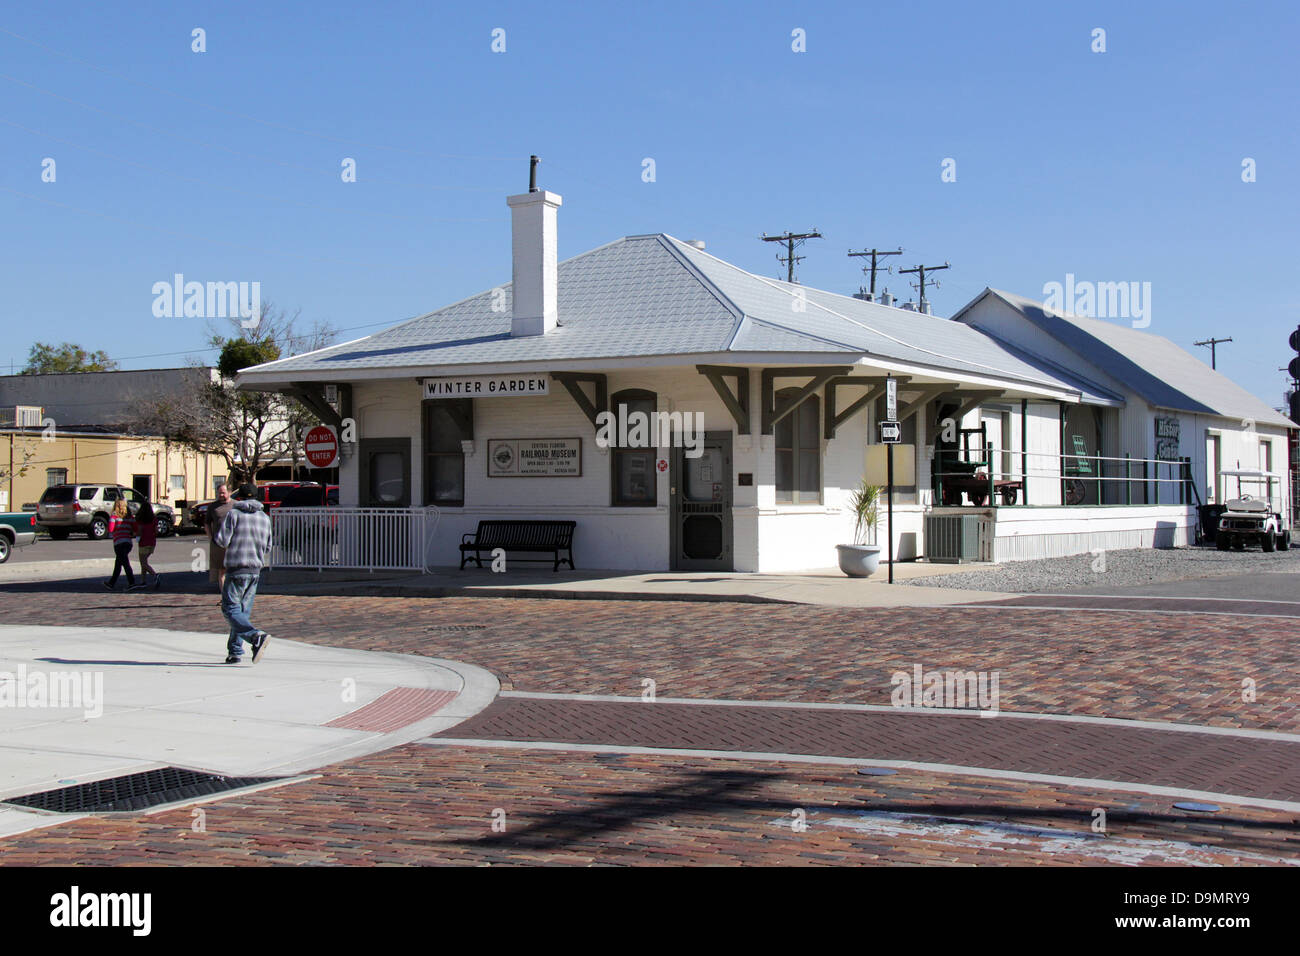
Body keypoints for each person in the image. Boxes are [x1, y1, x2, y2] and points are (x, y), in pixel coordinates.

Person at [214, 483, 273, 664]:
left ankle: (255, 636)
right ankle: (235, 651)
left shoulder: (234, 514)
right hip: (255, 569)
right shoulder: (264, 518)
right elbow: (268, 546)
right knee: (242, 612)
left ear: (239, 498)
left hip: (236, 567)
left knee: (230, 608)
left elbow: (222, 540)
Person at [103, 498, 139, 590]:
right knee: (119, 563)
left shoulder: (114, 516)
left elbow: (110, 529)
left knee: (124, 563)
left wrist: (112, 518)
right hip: (128, 542)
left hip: (118, 543)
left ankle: (132, 582)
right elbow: (135, 529)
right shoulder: (130, 517)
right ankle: (111, 583)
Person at [206, 483, 233, 590]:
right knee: (221, 570)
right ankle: (223, 595)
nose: (221, 495)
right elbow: (207, 523)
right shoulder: (213, 507)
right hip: (218, 543)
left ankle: (232, 594)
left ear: (230, 492)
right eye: (219, 492)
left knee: (232, 570)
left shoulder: (236, 505)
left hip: (233, 543)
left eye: (223, 492)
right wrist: (210, 538)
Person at [137, 500, 159, 588]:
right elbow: (156, 531)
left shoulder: (141, 520)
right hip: (152, 542)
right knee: (144, 562)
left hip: (143, 543)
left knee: (143, 563)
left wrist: (136, 537)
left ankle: (154, 575)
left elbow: (139, 531)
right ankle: (143, 581)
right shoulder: (154, 519)